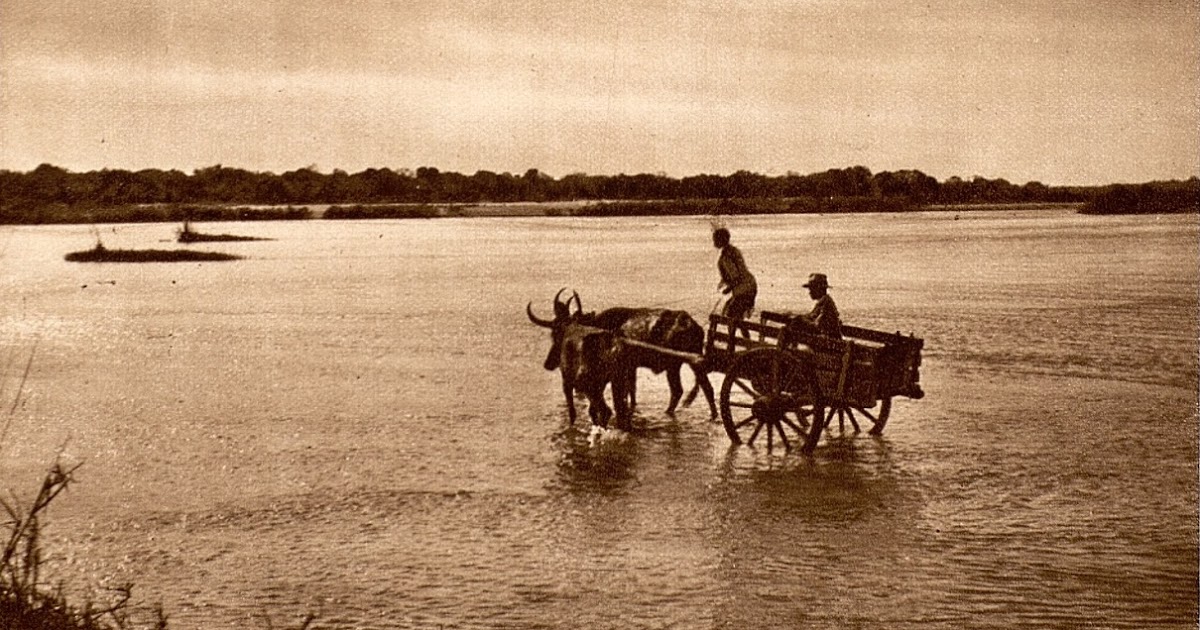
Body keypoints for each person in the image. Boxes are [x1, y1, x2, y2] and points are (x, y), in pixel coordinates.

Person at [712, 228, 757, 327]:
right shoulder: (733, 250)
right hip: (750, 286)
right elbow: (737, 272)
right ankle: (745, 339)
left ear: (720, 240)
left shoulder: (726, 257)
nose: (713, 242)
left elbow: (736, 277)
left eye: (714, 239)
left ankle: (733, 340)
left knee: (731, 315)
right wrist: (723, 282)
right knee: (736, 316)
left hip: (744, 289)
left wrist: (727, 289)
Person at [793, 273, 842, 338]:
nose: (809, 292)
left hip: (829, 344)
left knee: (796, 322)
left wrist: (800, 320)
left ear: (819, 289)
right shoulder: (823, 302)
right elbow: (811, 316)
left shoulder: (826, 304)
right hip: (825, 341)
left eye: (812, 289)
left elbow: (817, 325)